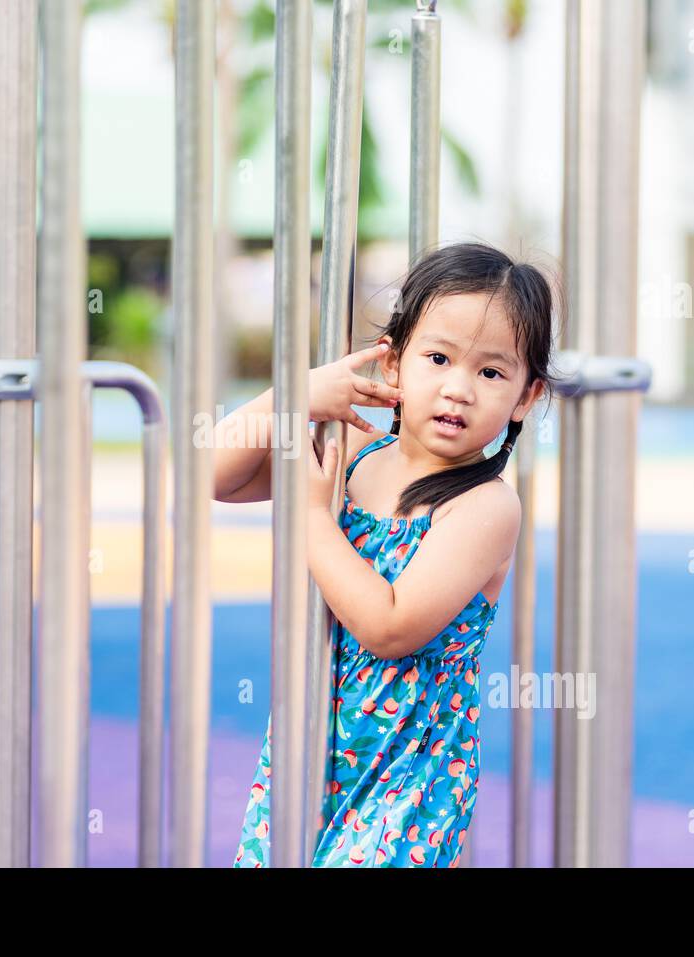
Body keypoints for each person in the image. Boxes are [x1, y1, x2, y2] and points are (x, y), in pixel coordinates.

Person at [213, 241, 554, 867]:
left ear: (526, 397)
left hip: (407, 780)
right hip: (307, 752)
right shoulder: (354, 455)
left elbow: (390, 627)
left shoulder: (482, 506)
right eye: (438, 358)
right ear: (393, 365)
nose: (459, 389)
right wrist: (292, 397)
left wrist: (312, 515)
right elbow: (217, 474)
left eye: (491, 372)